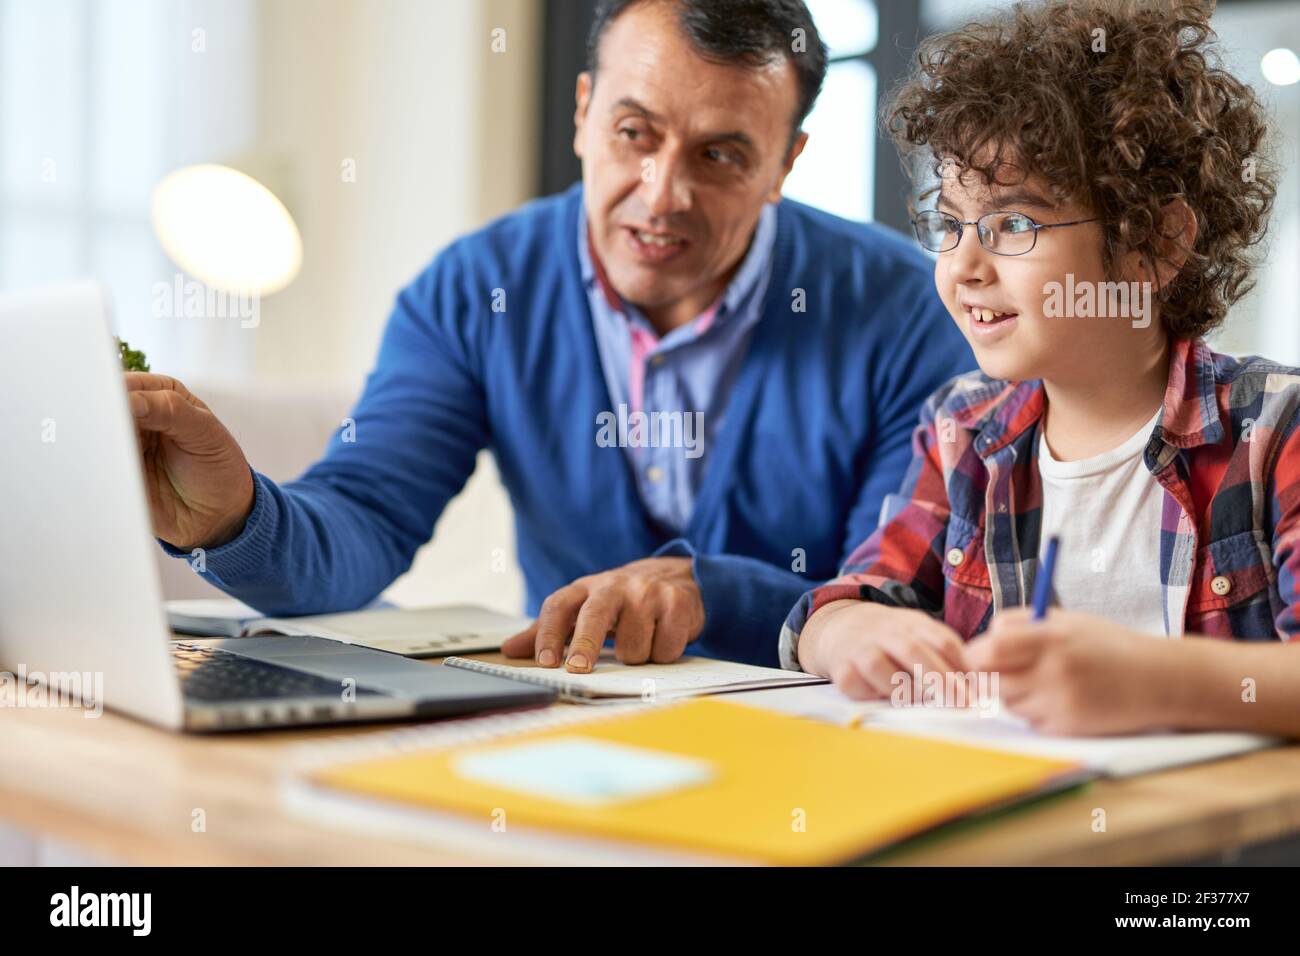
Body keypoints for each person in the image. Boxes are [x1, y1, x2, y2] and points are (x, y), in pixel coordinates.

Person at [127, 0, 971, 670]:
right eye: (633, 132)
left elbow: (892, 596)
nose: (661, 192)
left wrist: (706, 591)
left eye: (720, 155)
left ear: (786, 162)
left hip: (812, 740)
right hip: (566, 719)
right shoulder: (475, 289)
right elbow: (364, 521)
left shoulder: (904, 309)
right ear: (582, 113)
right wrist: (232, 516)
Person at [780, 0, 1300, 736]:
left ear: (1152, 243)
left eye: (1014, 224)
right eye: (952, 222)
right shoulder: (961, 429)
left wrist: (1150, 681)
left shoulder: (1275, 430)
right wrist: (845, 634)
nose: (963, 266)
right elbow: (852, 597)